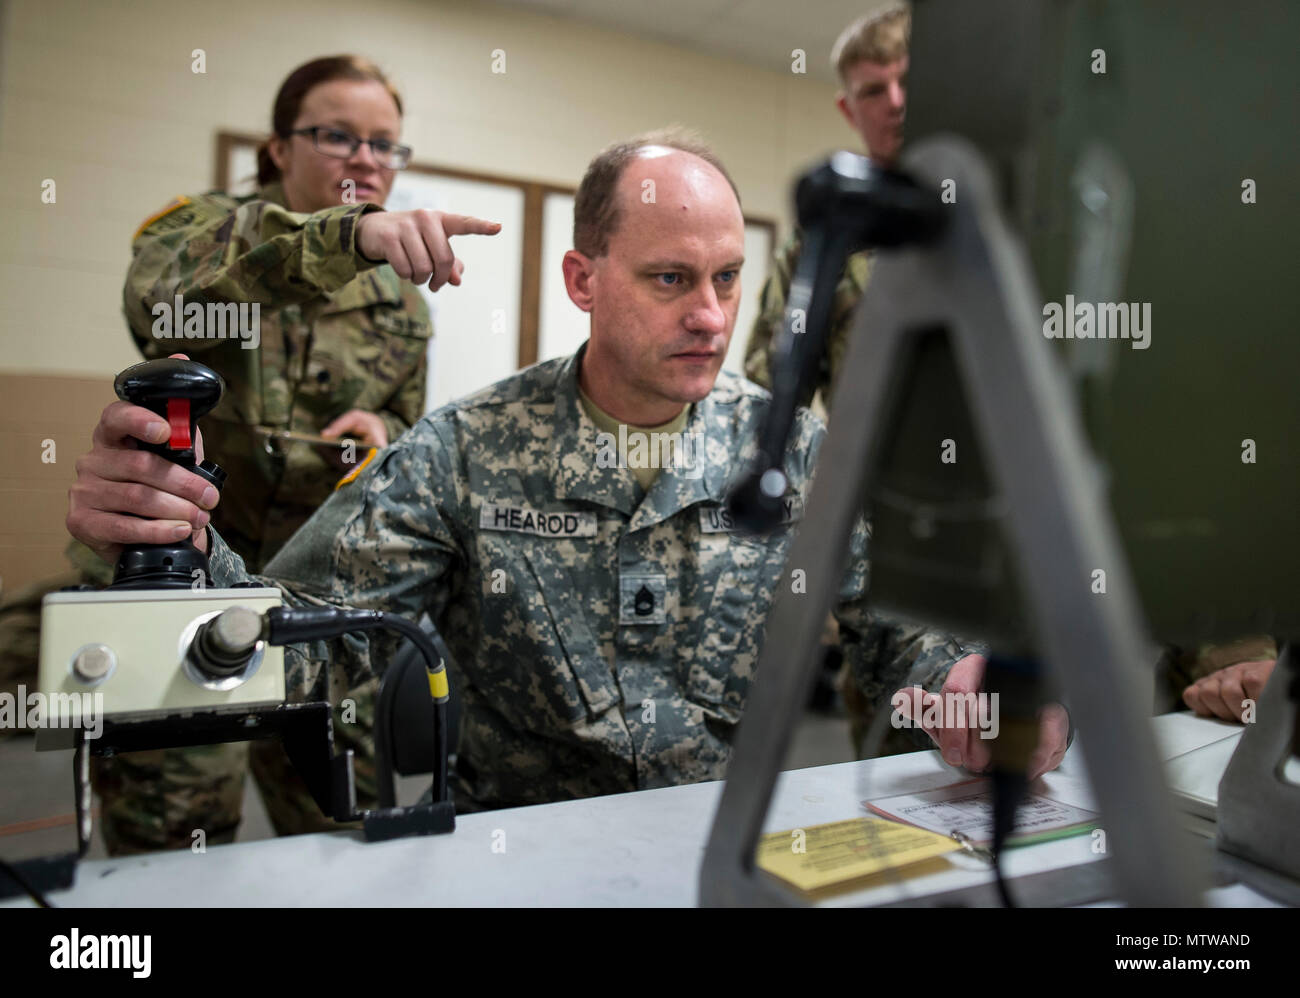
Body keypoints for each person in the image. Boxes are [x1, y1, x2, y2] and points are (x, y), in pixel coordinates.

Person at [67, 128, 1071, 814]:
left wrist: (963, 687)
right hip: (518, 864)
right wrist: (179, 551)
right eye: (670, 278)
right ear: (584, 280)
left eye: (727, 277)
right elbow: (312, 650)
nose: (712, 315)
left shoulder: (792, 451)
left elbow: (897, 628)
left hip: (712, 850)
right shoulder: (464, 451)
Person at [90, 54, 500, 853]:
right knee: (172, 846)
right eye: (338, 135)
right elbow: (166, 302)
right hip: (180, 592)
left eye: (385, 144)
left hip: (313, 613)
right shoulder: (202, 233)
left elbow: (399, 439)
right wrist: (349, 235)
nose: (365, 158)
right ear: (279, 147)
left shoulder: (400, 301)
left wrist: (377, 440)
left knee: (344, 836)